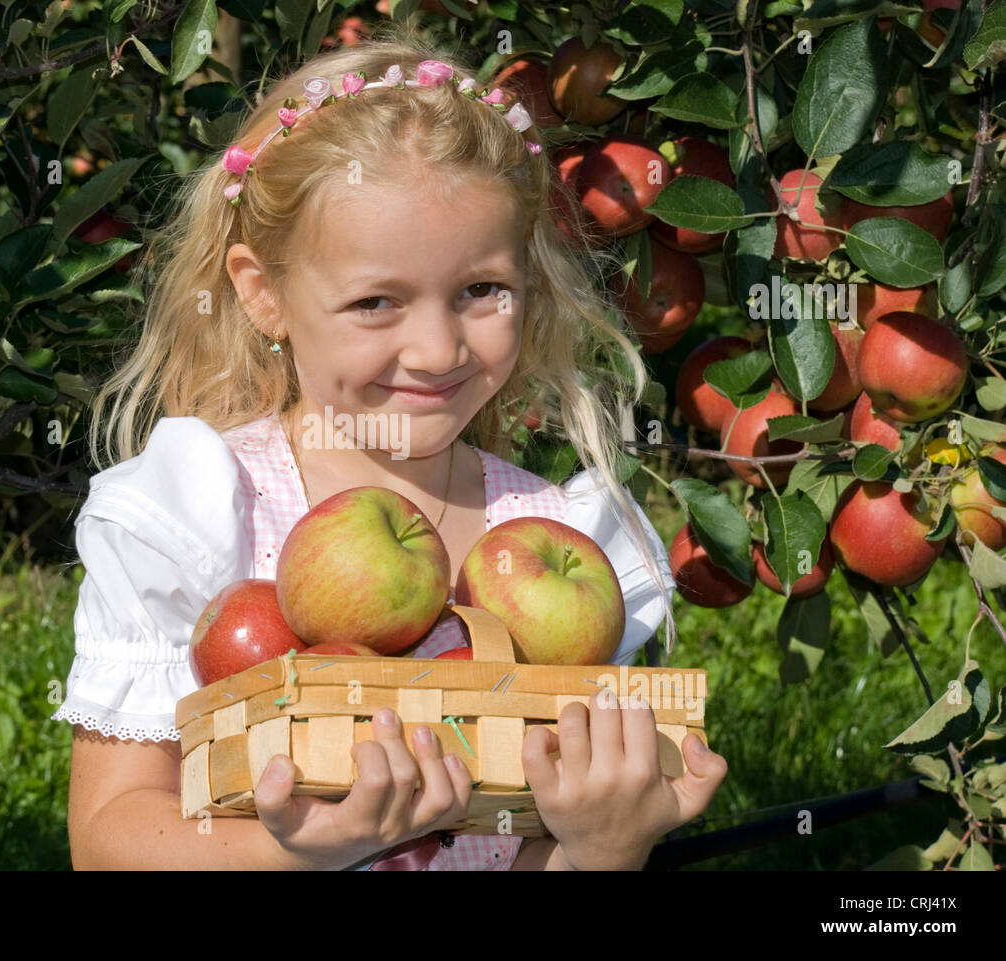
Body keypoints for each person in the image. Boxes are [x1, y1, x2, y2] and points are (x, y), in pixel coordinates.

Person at [53, 30, 727, 871]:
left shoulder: (565, 537)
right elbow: (111, 832)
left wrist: (601, 847)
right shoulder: (205, 515)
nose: (438, 348)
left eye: (482, 290)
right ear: (264, 295)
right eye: (376, 301)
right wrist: (307, 851)